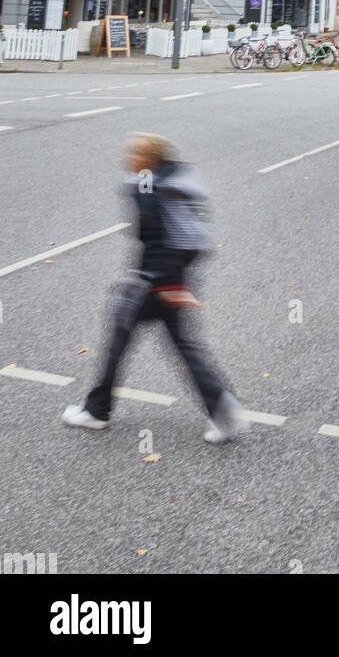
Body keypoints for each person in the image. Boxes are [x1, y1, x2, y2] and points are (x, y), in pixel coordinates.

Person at [62, 133, 244, 444]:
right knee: (180, 344)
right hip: (173, 273)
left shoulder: (146, 184)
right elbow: (190, 231)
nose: (128, 159)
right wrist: (178, 280)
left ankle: (96, 410)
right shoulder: (179, 177)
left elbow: (158, 235)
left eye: (133, 154)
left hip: (154, 279)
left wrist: (168, 284)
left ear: (147, 159)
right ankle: (222, 409)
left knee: (119, 338)